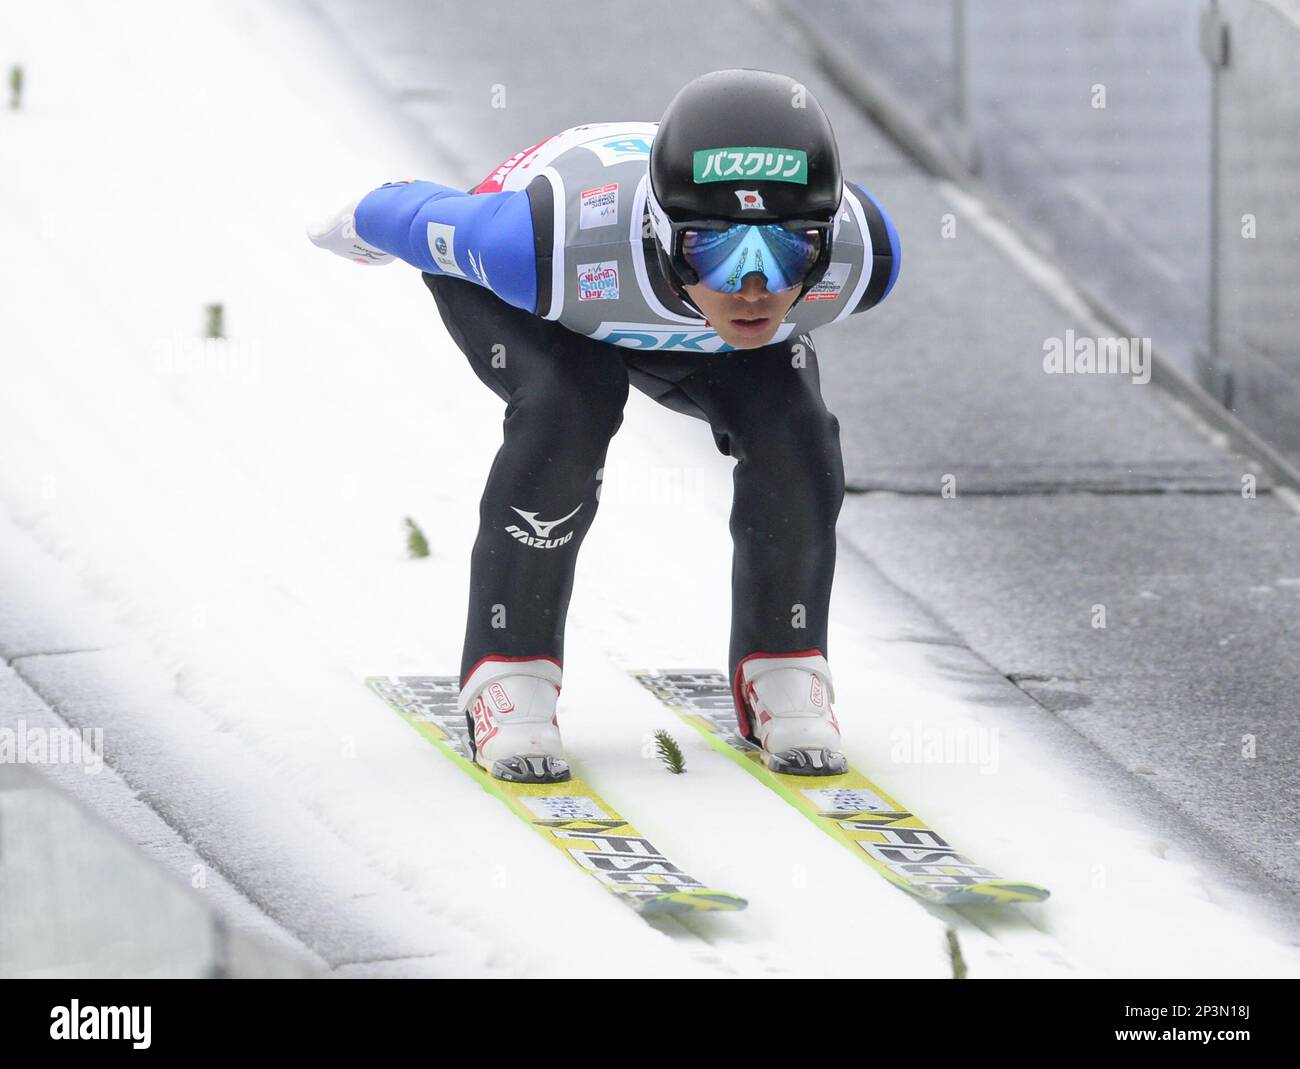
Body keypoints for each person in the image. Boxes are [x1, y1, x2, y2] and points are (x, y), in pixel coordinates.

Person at [309, 68, 901, 783]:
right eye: (715, 249)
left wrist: (719, 266)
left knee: (797, 430)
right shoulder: (532, 246)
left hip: (655, 303)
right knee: (571, 404)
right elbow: (408, 211)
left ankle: (785, 661)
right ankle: (510, 669)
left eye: (787, 251)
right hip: (556, 291)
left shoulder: (863, 256)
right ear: (661, 229)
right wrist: (359, 221)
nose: (753, 287)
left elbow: (753, 283)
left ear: (825, 238)